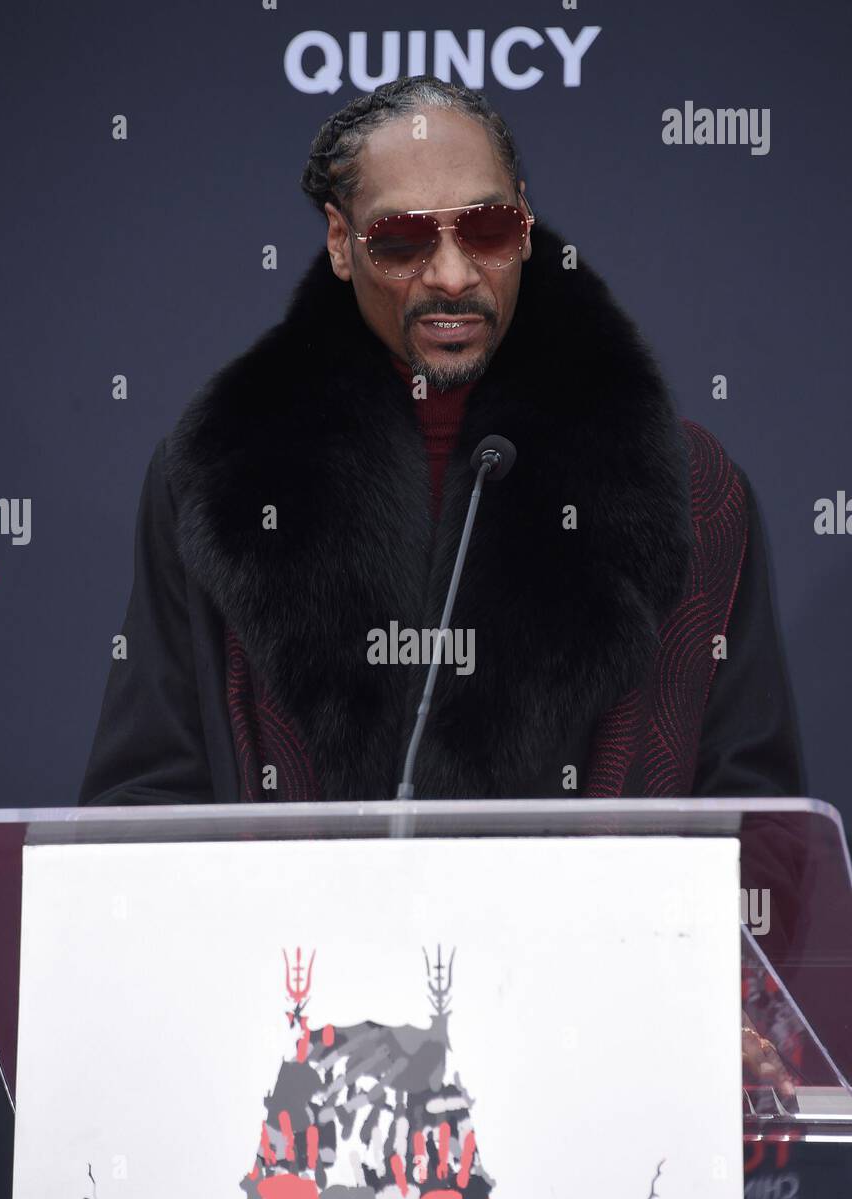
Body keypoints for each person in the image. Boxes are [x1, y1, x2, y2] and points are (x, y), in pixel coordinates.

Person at [79, 75, 804, 809]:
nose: (453, 276)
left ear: (522, 223)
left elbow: (762, 829)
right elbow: (143, 799)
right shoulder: (212, 475)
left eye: (485, 229)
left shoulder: (694, 485)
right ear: (340, 242)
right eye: (401, 240)